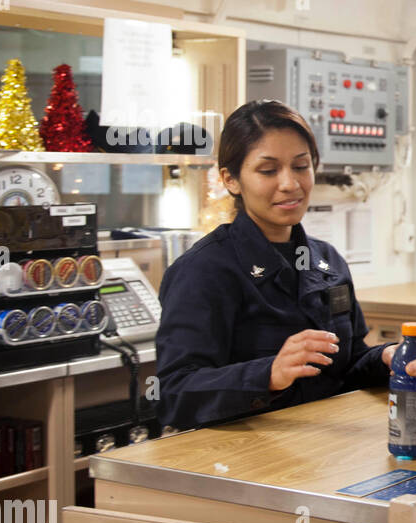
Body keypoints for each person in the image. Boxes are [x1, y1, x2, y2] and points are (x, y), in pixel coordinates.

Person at [155, 100, 394, 430]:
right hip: (238, 461)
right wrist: (268, 374)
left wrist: (388, 358)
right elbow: (173, 395)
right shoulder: (203, 271)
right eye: (268, 171)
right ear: (231, 179)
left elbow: (348, 362)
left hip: (321, 453)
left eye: (301, 166)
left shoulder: (328, 262)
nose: (290, 184)